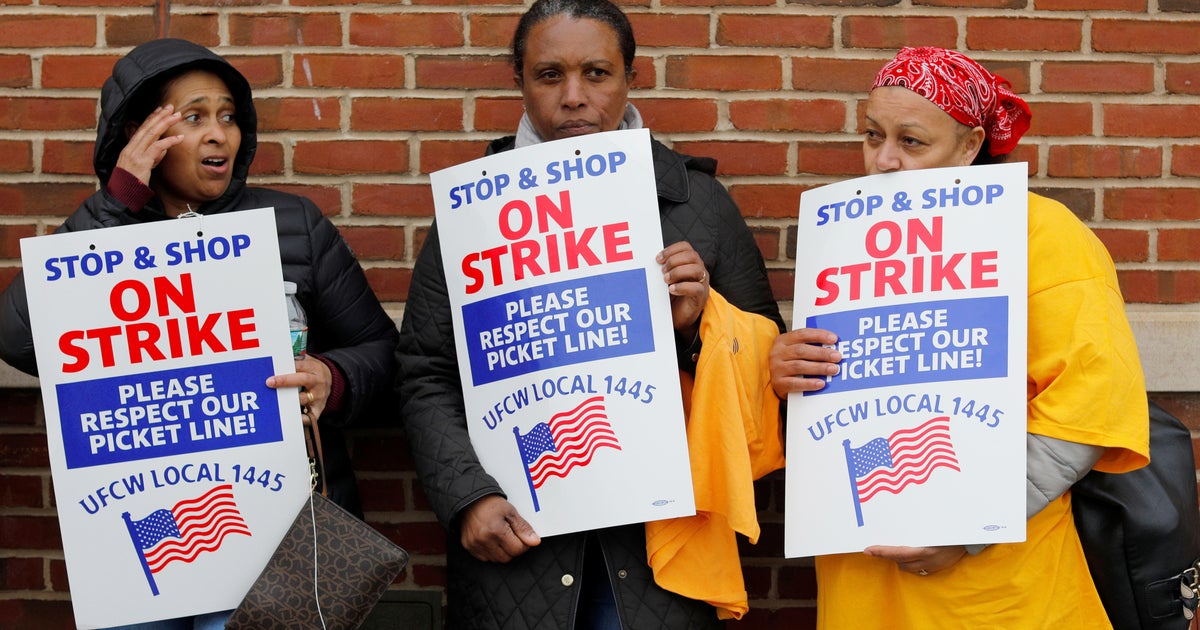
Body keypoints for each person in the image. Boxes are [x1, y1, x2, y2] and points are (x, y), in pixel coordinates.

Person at [395, 0, 784, 627]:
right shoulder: (474, 213)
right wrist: (467, 497)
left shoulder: (698, 203)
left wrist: (694, 328)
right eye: (550, 75)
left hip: (659, 552)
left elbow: (769, 372)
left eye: (596, 74)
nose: (574, 97)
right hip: (522, 545)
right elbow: (424, 372)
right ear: (519, 80)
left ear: (630, 77)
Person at [0, 38, 399, 629]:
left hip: (277, 549)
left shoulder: (296, 226)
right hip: (141, 561)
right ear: (141, 135)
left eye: (229, 116)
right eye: (193, 118)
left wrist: (333, 381)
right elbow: (17, 338)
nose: (220, 135)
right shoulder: (103, 234)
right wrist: (115, 206)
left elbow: (385, 355)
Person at [769, 46, 1150, 628]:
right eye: (873, 136)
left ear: (970, 146)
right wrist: (787, 374)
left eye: (912, 141)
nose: (884, 161)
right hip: (862, 583)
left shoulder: (1042, 233)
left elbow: (1087, 411)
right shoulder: (844, 239)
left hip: (999, 591)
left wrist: (967, 525)